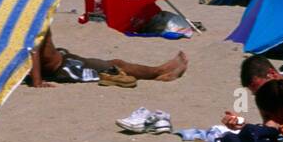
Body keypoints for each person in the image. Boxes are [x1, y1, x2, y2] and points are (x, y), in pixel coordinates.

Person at [30, 29, 187, 87]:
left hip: (65, 60)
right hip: (65, 69)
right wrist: (37, 81)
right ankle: (160, 72)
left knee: (113, 63)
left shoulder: (34, 15)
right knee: (115, 66)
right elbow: (34, 50)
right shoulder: (32, 20)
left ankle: (159, 71)